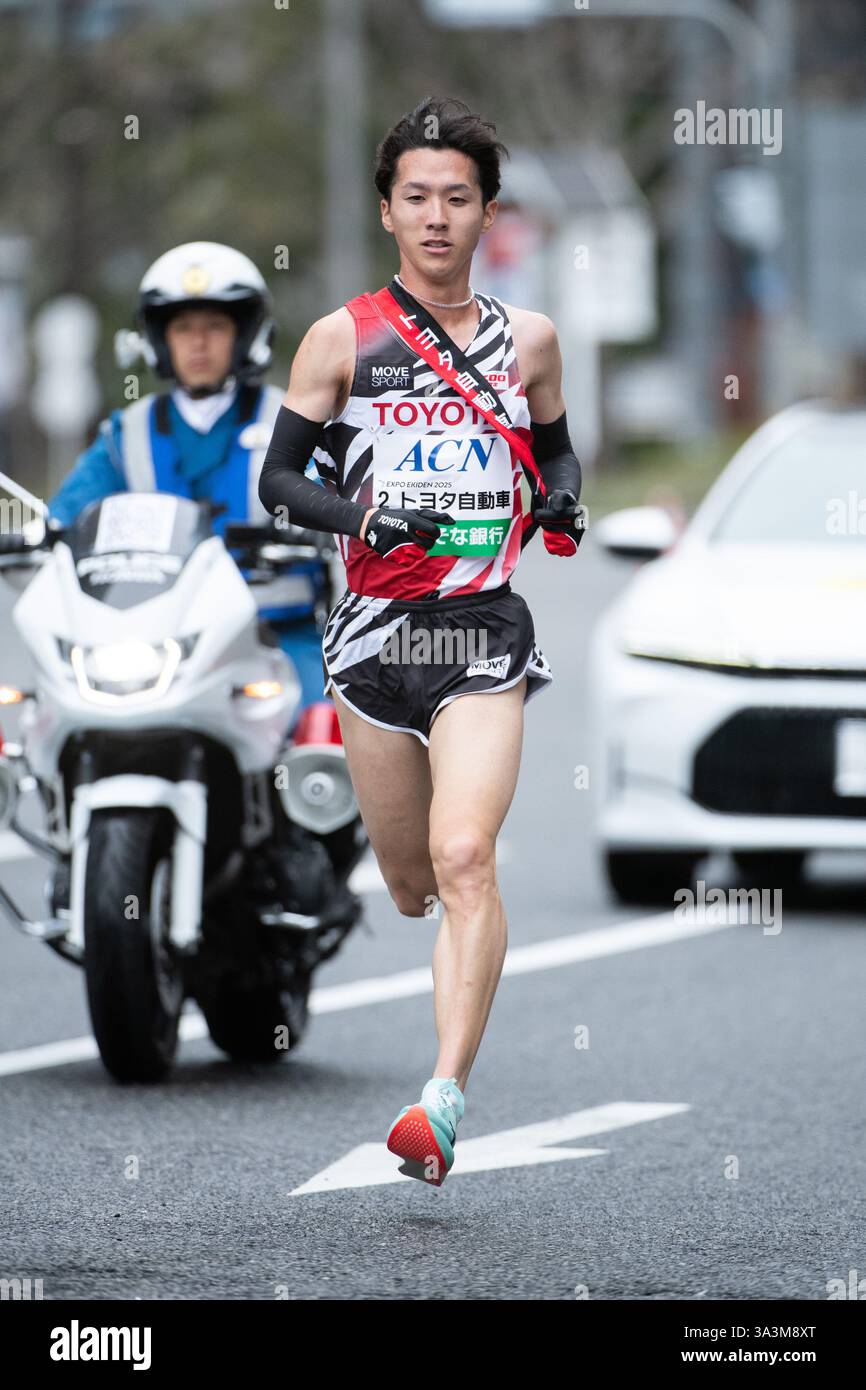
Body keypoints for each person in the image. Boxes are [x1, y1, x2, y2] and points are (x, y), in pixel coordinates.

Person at [259, 97, 585, 1187]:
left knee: (464, 857)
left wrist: (563, 506)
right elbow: (279, 481)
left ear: (486, 212)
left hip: (482, 633)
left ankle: (440, 1097)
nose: (437, 216)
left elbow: (558, 456)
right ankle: (413, 935)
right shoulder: (341, 338)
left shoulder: (526, 340)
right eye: (417, 197)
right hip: (370, 647)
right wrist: (361, 520)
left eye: (457, 196)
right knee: (407, 883)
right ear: (387, 212)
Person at [47, 240, 331, 718]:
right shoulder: (126, 433)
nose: (198, 343)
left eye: (215, 327)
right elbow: (65, 516)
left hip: (275, 639)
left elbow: (333, 504)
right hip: (152, 643)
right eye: (182, 328)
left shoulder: (292, 418)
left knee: (322, 748)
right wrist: (40, 532)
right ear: (159, 339)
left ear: (246, 335)